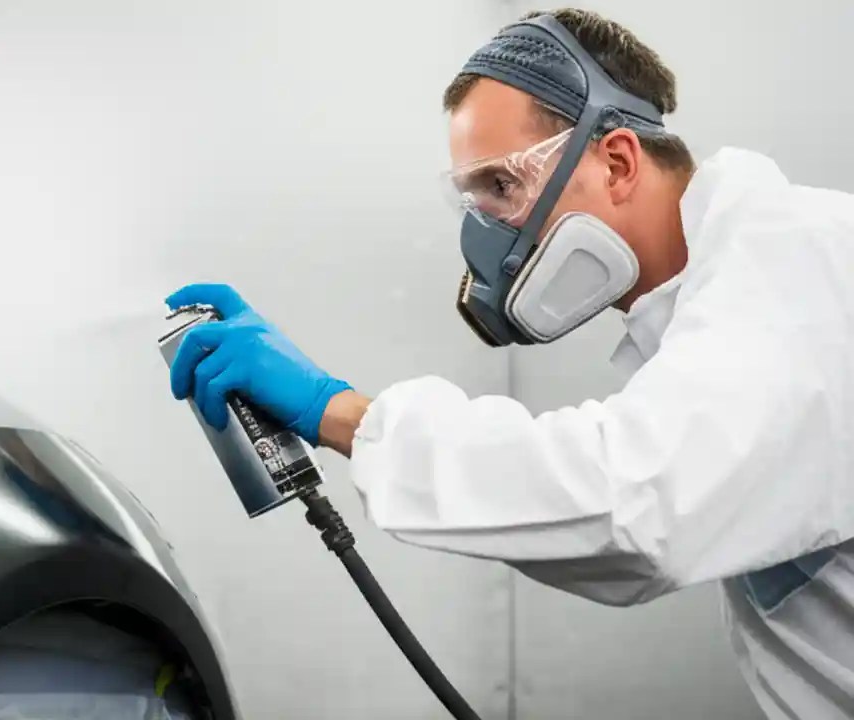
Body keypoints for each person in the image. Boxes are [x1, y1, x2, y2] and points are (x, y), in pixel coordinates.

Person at [165, 8, 854, 719]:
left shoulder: (795, 264)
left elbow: (633, 505)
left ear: (617, 162)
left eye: (501, 186)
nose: (488, 231)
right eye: (472, 197)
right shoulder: (716, 300)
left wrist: (336, 410)